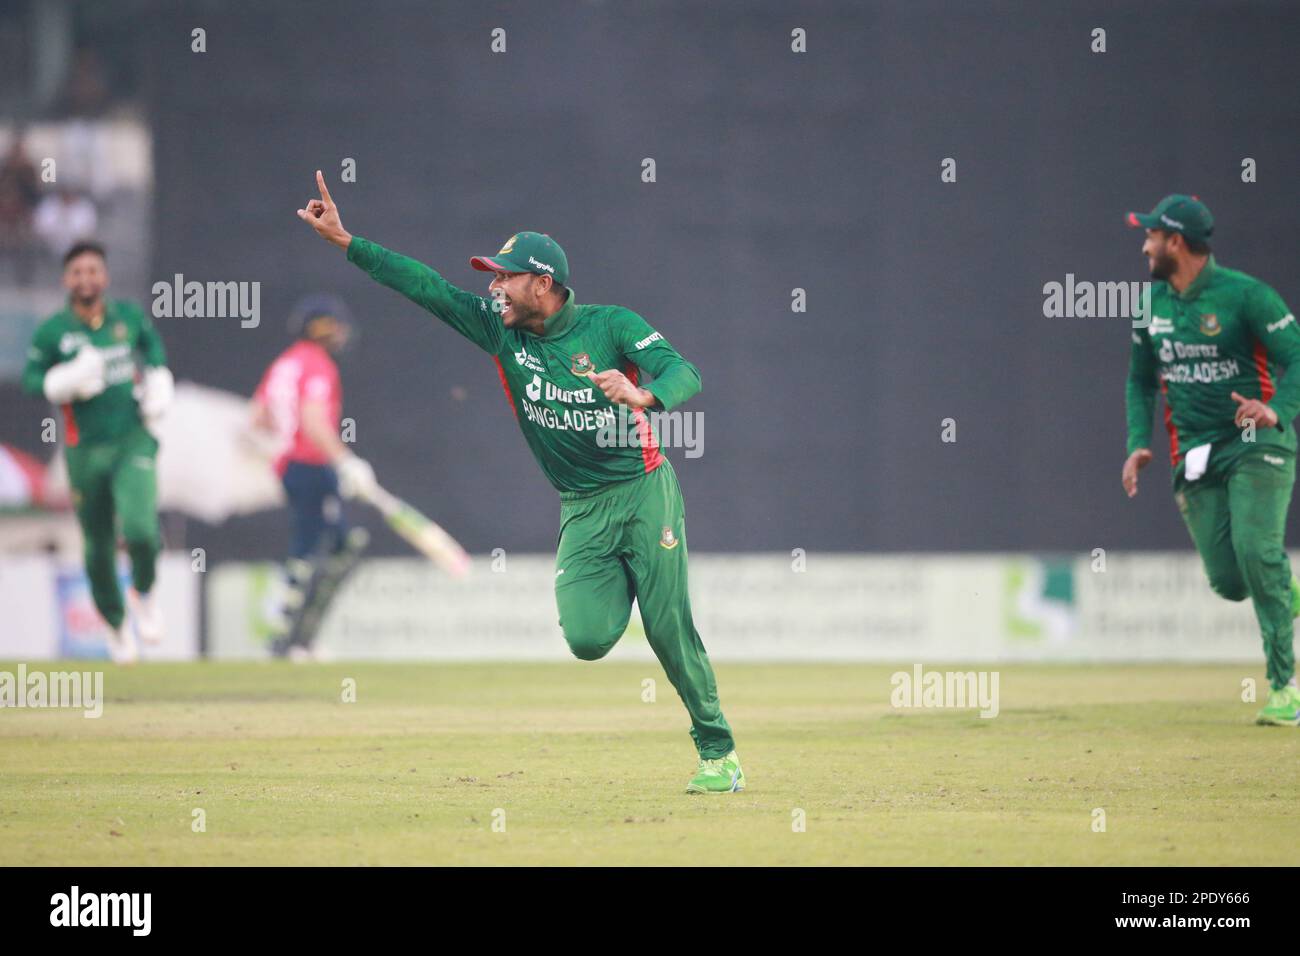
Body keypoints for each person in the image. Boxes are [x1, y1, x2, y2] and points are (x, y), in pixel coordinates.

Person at [296, 171, 742, 792]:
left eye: (505, 275)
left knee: (668, 626)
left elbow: (684, 371)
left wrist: (642, 393)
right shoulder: (496, 329)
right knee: (586, 639)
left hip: (643, 490)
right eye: (493, 275)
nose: (493, 285)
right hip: (582, 506)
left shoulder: (610, 326)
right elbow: (425, 286)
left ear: (544, 283)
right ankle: (623, 586)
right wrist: (347, 241)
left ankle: (717, 751)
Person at [1123, 194, 1300, 725]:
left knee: (1256, 547)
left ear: (1176, 242)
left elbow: (1297, 360)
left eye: (1152, 235)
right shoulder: (1149, 305)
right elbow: (1139, 380)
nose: (1145, 244)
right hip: (1194, 455)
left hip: (1255, 443)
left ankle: (1284, 688)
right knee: (1230, 580)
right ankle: (1284, 587)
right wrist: (1137, 440)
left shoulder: (1247, 296)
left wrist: (1274, 410)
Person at [21, 241, 174, 664]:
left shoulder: (127, 317)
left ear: (104, 277)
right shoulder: (54, 330)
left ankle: (144, 592)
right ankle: (114, 621)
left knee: (142, 529)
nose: (86, 278)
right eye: (77, 272)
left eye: (93, 270)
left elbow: (154, 350)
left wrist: (160, 381)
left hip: (132, 440)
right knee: (98, 544)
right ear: (66, 279)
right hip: (84, 450)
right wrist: (62, 380)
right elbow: (32, 378)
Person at [250, 294, 374, 658]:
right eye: (334, 327)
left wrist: (280, 449)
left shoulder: (284, 364)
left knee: (334, 545)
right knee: (313, 551)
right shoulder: (317, 364)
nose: (341, 334)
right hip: (312, 465)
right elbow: (314, 422)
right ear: (320, 328)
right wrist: (346, 460)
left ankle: (297, 638)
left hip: (289, 467)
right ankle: (286, 639)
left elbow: (256, 417)